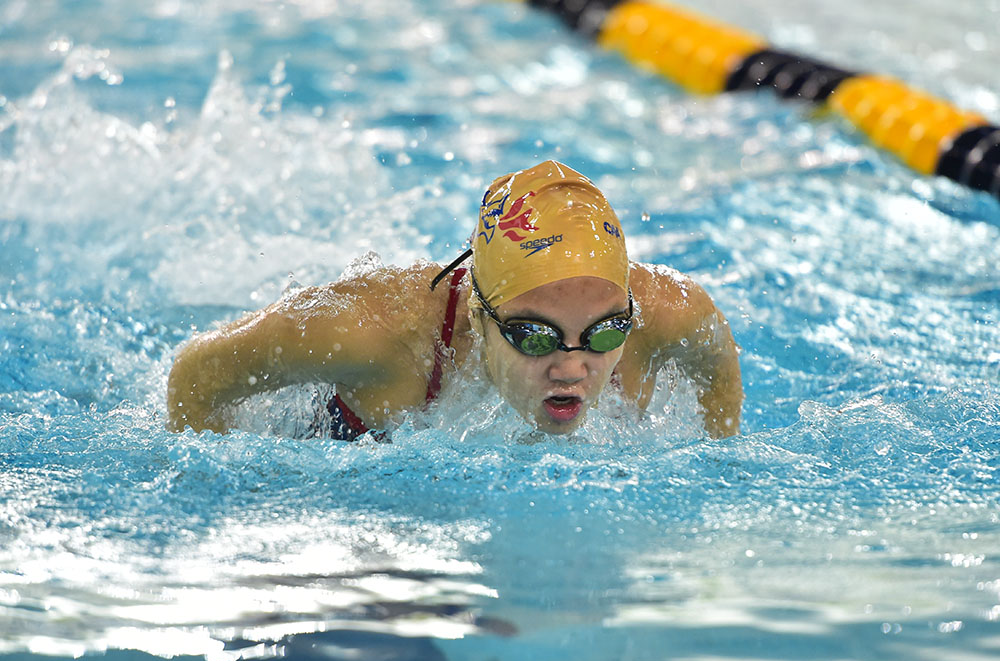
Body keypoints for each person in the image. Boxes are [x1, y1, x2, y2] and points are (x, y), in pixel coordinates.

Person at [166, 160, 743, 439]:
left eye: (605, 333)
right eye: (534, 336)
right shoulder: (375, 334)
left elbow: (719, 372)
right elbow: (197, 375)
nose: (571, 367)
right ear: (477, 310)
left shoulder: (670, 314)